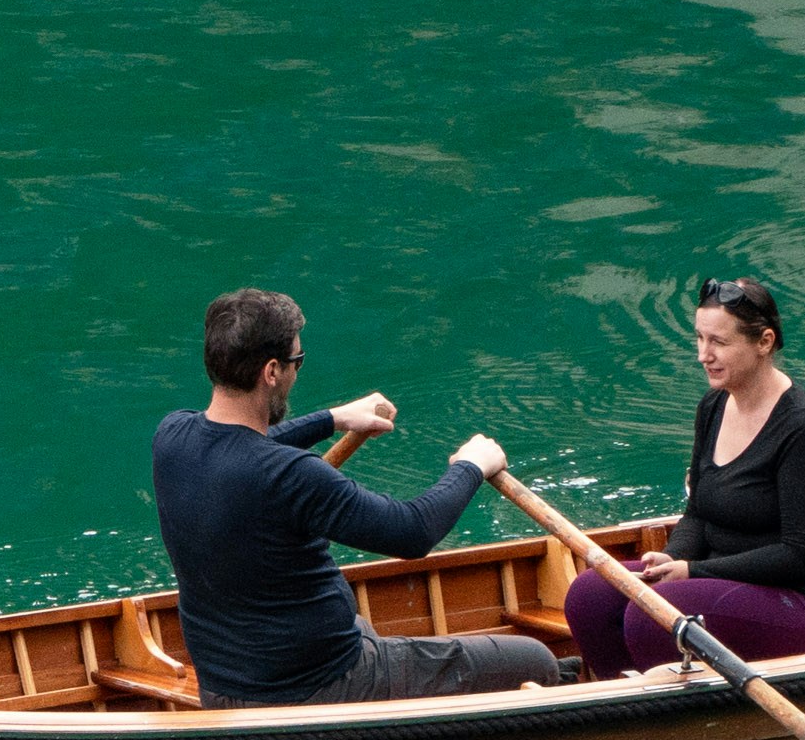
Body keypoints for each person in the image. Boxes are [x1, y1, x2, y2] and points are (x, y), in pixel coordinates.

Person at [150, 287, 560, 704]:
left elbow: (241, 446)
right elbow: (411, 531)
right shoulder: (292, 476)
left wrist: (334, 419)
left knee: (363, 626)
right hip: (320, 687)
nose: (297, 371)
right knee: (536, 661)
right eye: (297, 361)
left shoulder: (172, 437)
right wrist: (471, 465)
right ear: (271, 371)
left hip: (226, 687)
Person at [564, 275, 805, 678]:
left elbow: (798, 556)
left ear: (764, 342)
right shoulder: (714, 406)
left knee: (654, 616)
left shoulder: (804, 428)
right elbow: (698, 512)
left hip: (802, 604)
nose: (704, 355)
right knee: (591, 595)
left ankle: (669, 713)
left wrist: (692, 572)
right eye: (699, 339)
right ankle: (627, 708)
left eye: (718, 342)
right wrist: (674, 556)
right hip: (719, 583)